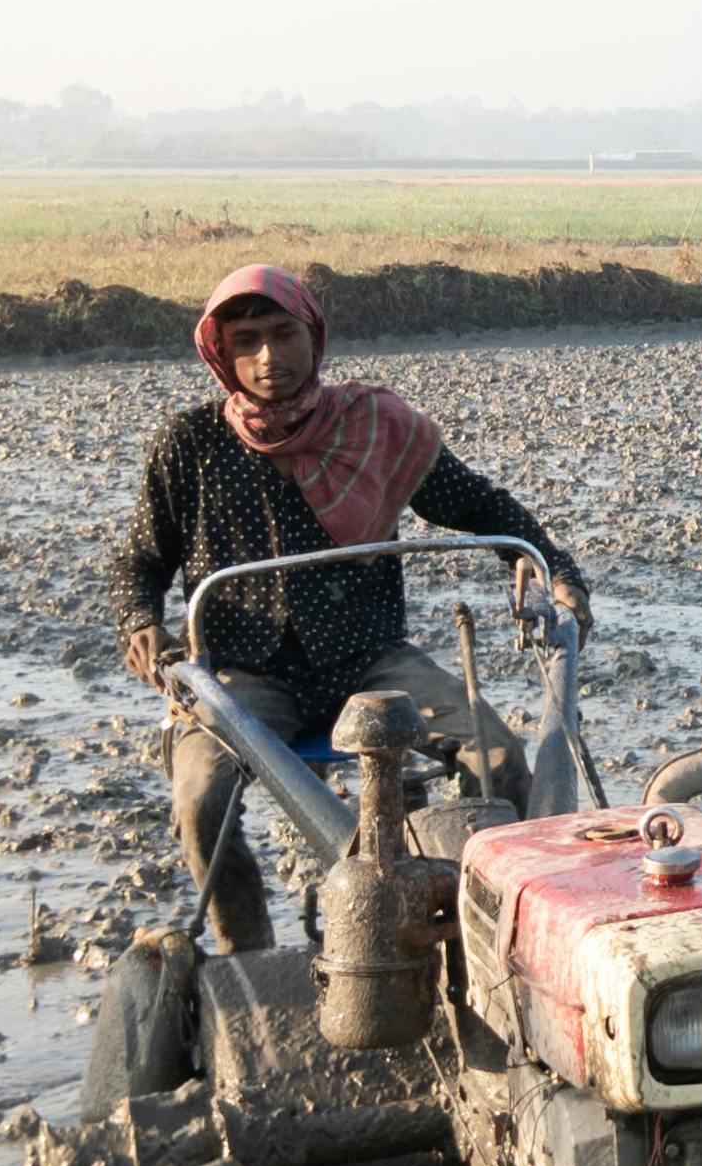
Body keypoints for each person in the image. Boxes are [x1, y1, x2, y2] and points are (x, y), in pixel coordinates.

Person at [114, 264, 590, 952]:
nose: (268, 358)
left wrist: (548, 564)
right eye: (247, 341)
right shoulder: (188, 446)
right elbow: (139, 559)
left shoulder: (374, 428)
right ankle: (246, 955)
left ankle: (483, 939)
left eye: (284, 335)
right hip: (244, 674)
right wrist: (141, 622)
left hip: (369, 659)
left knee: (498, 761)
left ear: (315, 337)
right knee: (199, 802)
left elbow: (481, 505)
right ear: (220, 352)